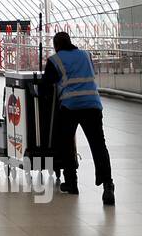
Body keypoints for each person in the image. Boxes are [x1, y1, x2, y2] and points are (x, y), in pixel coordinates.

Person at [41, 31, 114, 205]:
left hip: (70, 106)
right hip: (93, 105)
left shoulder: (55, 60)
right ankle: (108, 185)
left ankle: (72, 183)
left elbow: (45, 86)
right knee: (98, 145)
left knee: (65, 143)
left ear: (56, 45)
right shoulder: (86, 55)